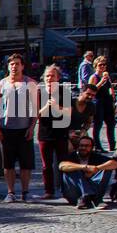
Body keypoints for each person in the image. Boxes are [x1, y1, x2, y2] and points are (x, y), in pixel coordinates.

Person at [0, 53, 39, 202]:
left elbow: (35, 108)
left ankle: (25, 191)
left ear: (22, 66)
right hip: (6, 129)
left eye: (17, 64)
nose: (14, 66)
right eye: (12, 64)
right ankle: (10, 192)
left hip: (24, 129)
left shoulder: (30, 83)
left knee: (26, 163)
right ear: (8, 66)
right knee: (8, 163)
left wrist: (32, 128)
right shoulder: (0, 84)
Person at [36, 64, 72, 200]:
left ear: (58, 78)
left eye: (52, 76)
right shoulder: (39, 93)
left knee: (63, 164)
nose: (49, 78)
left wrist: (58, 107)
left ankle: (66, 189)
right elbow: (36, 115)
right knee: (46, 165)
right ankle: (48, 190)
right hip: (45, 134)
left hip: (61, 133)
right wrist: (47, 106)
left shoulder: (65, 92)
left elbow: (69, 113)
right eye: (47, 76)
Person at [58, 134, 117, 209]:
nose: (83, 148)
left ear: (92, 147)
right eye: (81, 145)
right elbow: (61, 165)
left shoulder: (96, 156)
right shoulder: (71, 156)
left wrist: (96, 168)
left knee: (106, 169)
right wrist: (85, 167)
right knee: (70, 168)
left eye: (87, 146)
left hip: (95, 192)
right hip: (75, 195)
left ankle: (91, 197)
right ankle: (87, 195)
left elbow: (115, 164)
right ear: (78, 147)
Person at [91, 55, 116, 151]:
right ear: (96, 66)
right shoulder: (94, 77)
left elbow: (110, 88)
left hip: (108, 101)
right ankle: (97, 145)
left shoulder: (106, 76)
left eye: (104, 65)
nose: (102, 67)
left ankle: (112, 145)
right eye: (100, 65)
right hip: (98, 101)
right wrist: (101, 82)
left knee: (111, 124)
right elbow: (92, 90)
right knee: (98, 124)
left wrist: (113, 97)